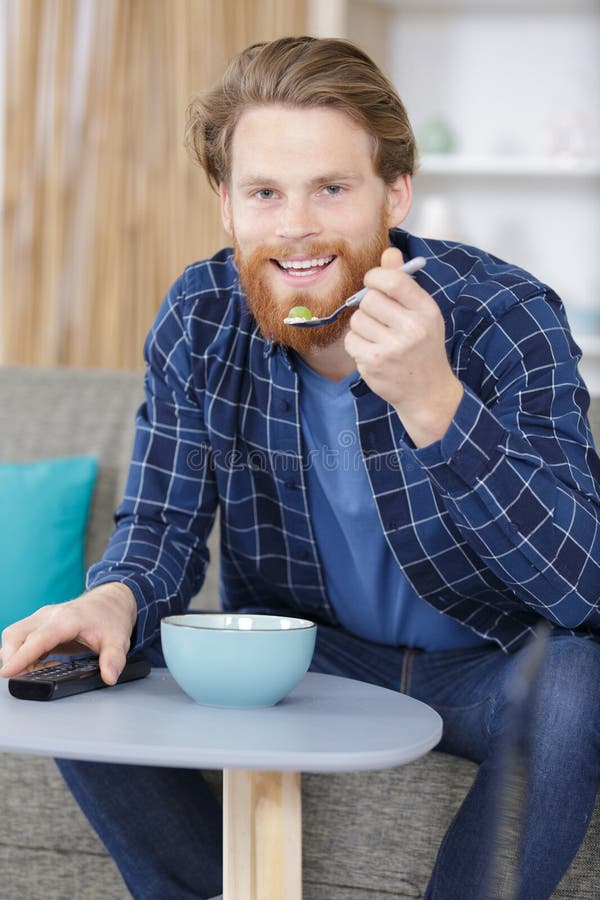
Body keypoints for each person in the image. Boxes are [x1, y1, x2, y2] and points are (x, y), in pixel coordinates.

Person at [2, 35, 600, 900]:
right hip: (306, 665)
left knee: (581, 683)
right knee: (72, 674)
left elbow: (583, 591)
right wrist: (111, 599)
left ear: (394, 193)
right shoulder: (201, 317)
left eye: (331, 187)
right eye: (265, 193)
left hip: (486, 668)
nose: (296, 227)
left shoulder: (505, 318)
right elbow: (161, 529)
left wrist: (437, 404)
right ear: (226, 205)